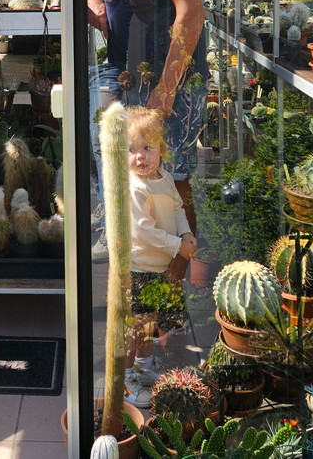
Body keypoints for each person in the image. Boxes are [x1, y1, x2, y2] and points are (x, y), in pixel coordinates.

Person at [87, 0, 207, 269]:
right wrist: (96, 5)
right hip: (124, 70)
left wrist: (167, 88)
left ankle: (179, 281)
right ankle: (134, 260)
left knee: (170, 180)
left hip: (168, 77)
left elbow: (190, 13)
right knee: (128, 169)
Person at [124, 106, 197, 409]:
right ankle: (126, 379)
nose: (139, 156)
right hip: (139, 267)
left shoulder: (164, 178)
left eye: (147, 148)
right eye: (131, 150)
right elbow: (144, 232)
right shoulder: (135, 188)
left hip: (158, 266)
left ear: (161, 151)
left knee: (149, 321)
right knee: (135, 324)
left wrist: (186, 234)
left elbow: (178, 208)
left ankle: (143, 366)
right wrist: (176, 246)